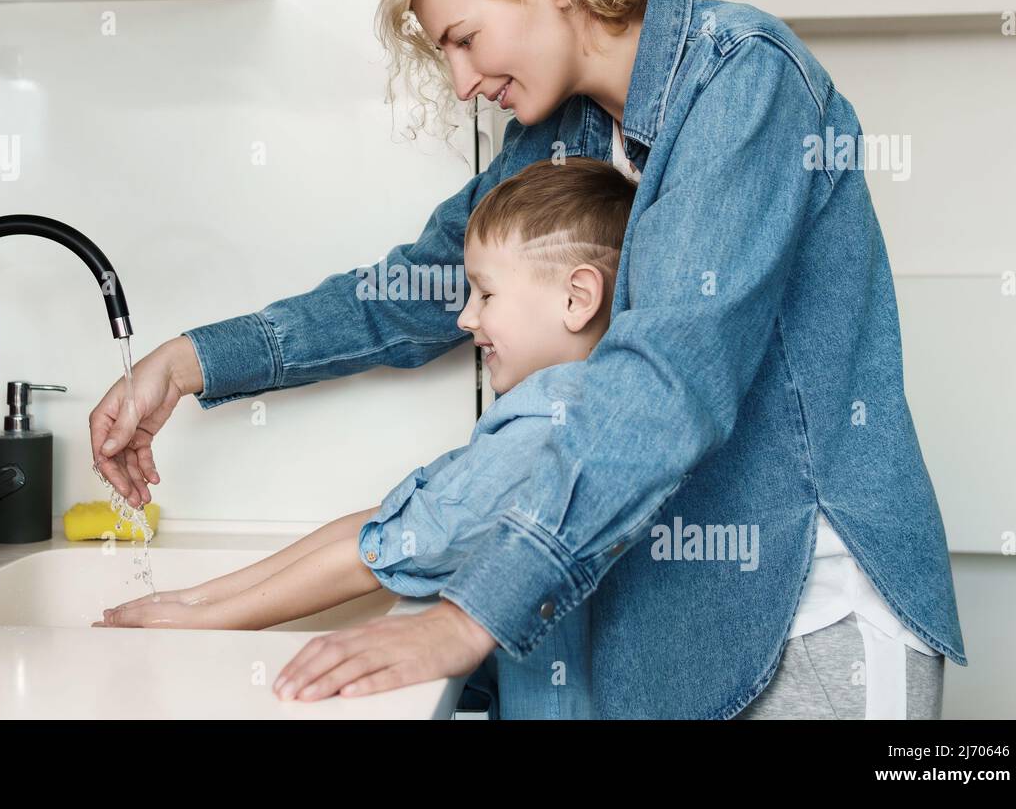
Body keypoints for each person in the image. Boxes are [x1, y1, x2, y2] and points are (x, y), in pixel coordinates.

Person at [89, 0, 966, 718]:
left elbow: (669, 379)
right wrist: (195, 360)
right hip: (673, 623)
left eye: (466, 39)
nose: (464, 82)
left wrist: (471, 616)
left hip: (810, 615)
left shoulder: (745, 81)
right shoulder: (560, 134)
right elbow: (412, 289)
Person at [95, 157, 633, 720]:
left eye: (485, 295)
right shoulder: (544, 414)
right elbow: (386, 520)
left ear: (577, 298)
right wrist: (194, 598)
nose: (464, 319)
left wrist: (203, 621)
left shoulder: (546, 435)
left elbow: (376, 551)